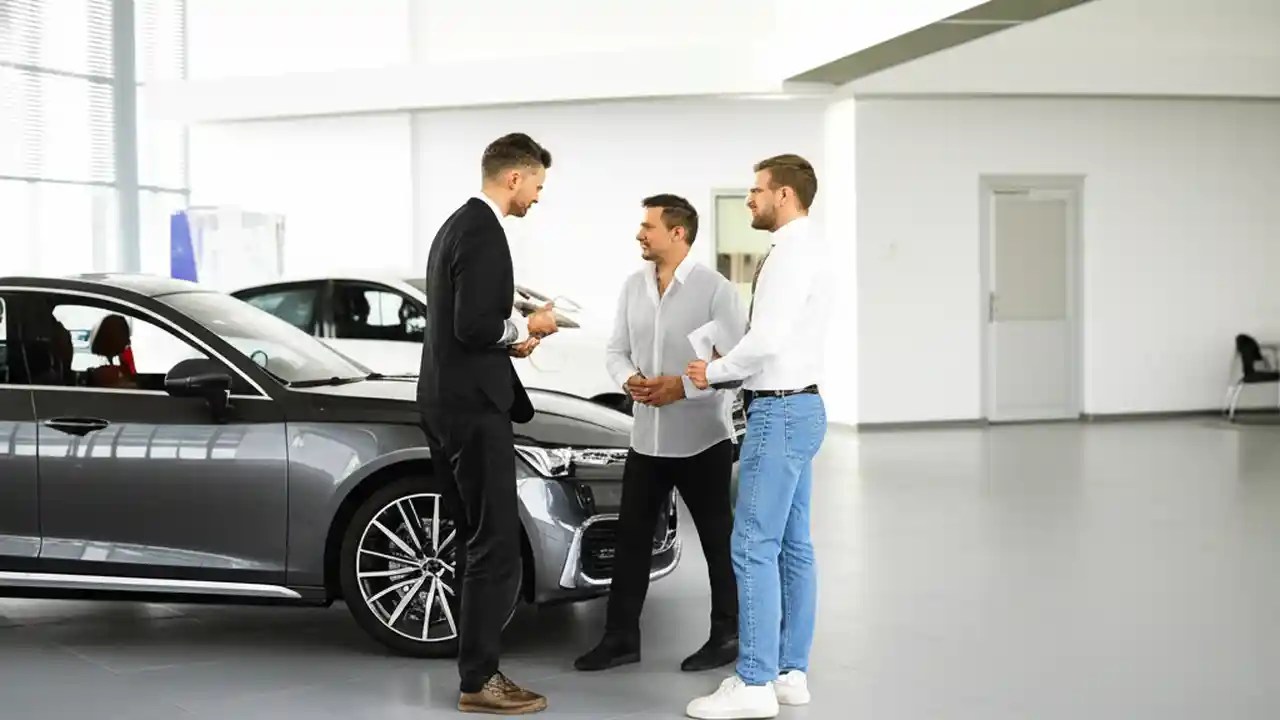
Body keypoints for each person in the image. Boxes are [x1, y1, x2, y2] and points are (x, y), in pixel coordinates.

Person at [417, 132, 559, 715]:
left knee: (471, 540)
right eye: (537, 187)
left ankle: (474, 669)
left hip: (445, 402)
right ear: (514, 178)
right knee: (494, 544)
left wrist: (511, 342)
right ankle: (479, 680)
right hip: (474, 410)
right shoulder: (484, 232)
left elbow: (462, 325)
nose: (537, 199)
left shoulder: (454, 226)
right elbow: (476, 325)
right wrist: (526, 331)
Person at [574, 194, 746, 674]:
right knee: (632, 539)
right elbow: (615, 350)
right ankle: (620, 638)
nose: (640, 234)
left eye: (648, 226)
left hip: (701, 440)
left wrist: (683, 388)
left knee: (717, 539)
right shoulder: (633, 286)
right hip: (646, 440)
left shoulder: (715, 290)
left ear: (678, 233)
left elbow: (737, 365)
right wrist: (627, 379)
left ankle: (727, 634)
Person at [684, 154, 829, 719]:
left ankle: (753, 683)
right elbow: (777, 340)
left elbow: (767, 339)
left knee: (751, 545)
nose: (749, 199)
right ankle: (790, 674)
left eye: (756, 191)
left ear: (785, 196)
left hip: (780, 412)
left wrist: (713, 371)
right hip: (804, 405)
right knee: (793, 546)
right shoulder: (811, 247)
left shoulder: (791, 254)